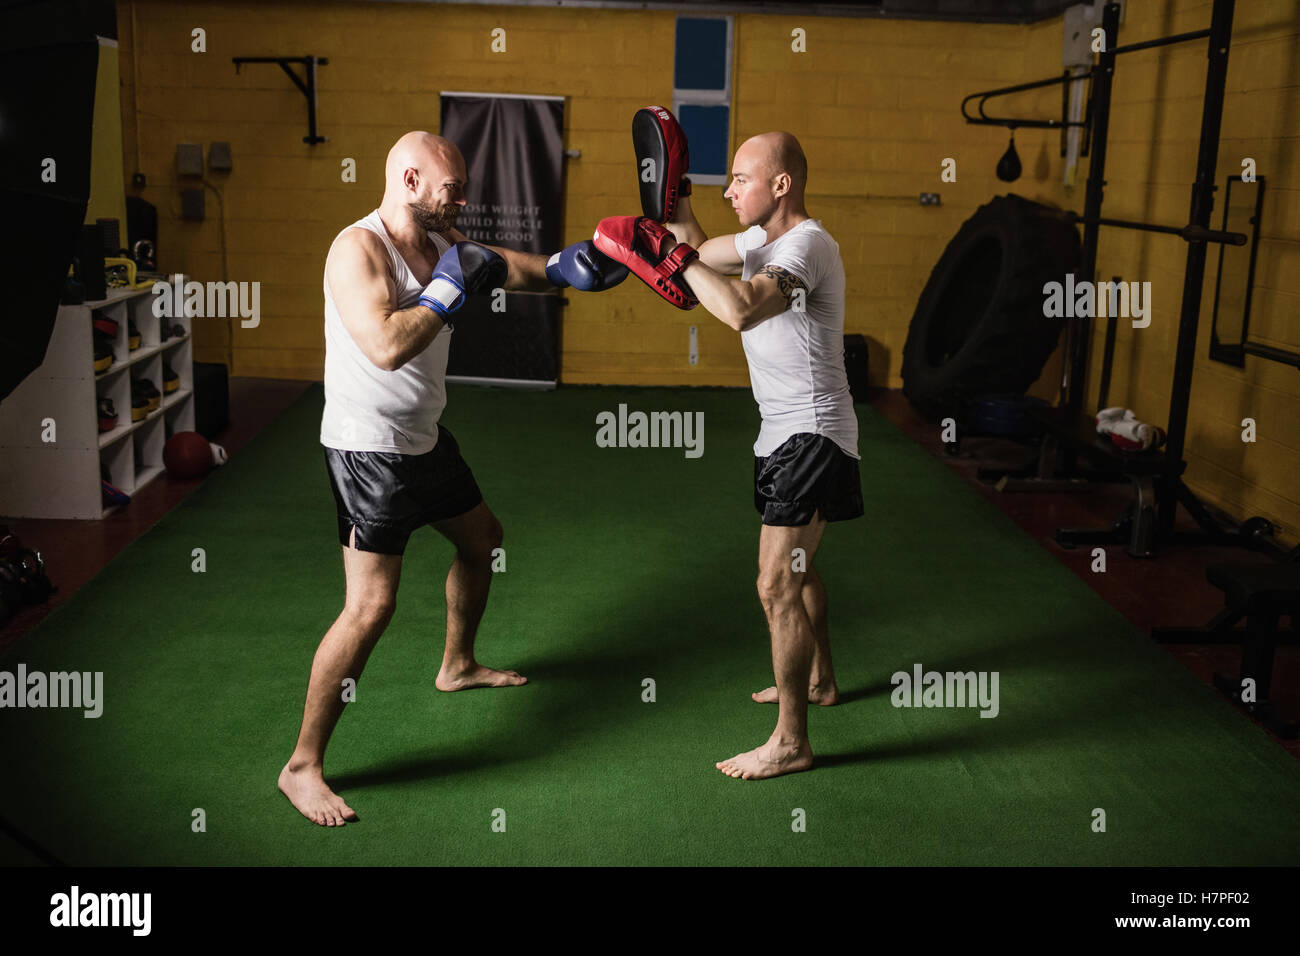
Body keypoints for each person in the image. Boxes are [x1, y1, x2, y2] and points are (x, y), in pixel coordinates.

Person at [280, 131, 623, 826]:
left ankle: (457, 664)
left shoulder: (440, 241)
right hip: (368, 452)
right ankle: (302, 765)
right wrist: (442, 295)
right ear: (408, 180)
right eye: (451, 189)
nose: (461, 200)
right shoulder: (359, 249)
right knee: (370, 608)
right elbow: (381, 347)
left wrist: (568, 266)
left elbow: (503, 268)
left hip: (425, 441)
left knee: (482, 539)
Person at [599, 131, 861, 779]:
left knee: (776, 583)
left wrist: (666, 252)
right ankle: (822, 679)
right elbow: (692, 249)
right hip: (780, 432)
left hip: (812, 433)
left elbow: (742, 310)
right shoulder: (756, 241)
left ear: (783, 185)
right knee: (800, 569)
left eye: (742, 178)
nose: (730, 190)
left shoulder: (806, 246)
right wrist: (674, 200)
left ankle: (792, 741)